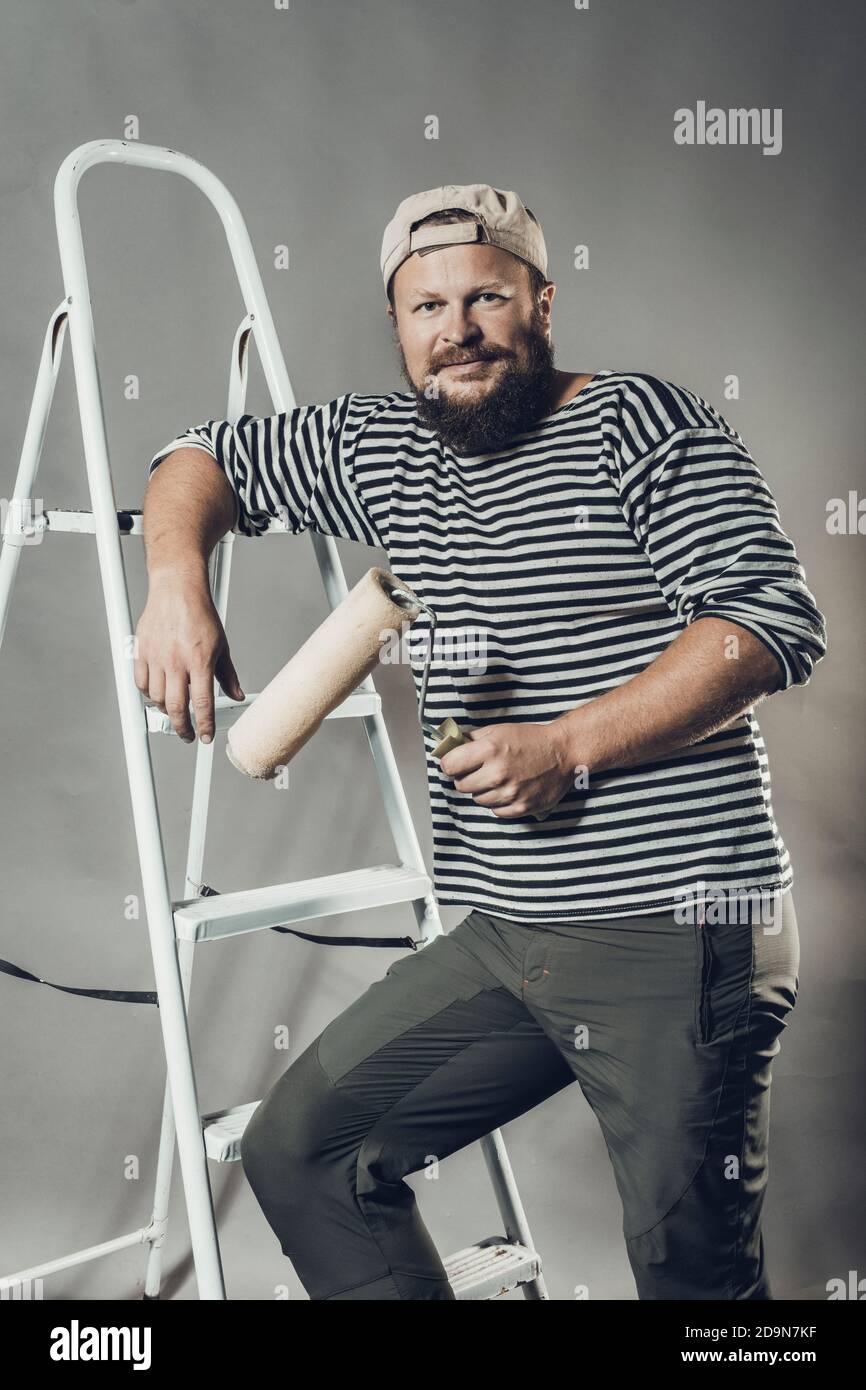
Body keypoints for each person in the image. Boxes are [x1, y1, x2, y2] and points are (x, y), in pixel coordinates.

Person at [136, 184, 827, 1300]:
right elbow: (195, 455)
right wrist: (176, 583)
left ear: (540, 303)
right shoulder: (383, 443)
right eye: (423, 308)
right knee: (302, 1150)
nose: (453, 330)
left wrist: (568, 743)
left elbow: (764, 623)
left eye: (484, 298)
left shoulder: (639, 422)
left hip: (677, 931)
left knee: (693, 1285)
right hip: (510, 936)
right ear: (398, 325)